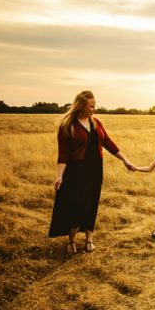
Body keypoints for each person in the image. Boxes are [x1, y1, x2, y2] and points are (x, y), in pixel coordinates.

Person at [48, 91, 135, 254]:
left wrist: (125, 160)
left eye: (94, 106)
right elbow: (63, 154)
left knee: (92, 202)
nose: (94, 109)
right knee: (76, 204)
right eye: (91, 106)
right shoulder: (67, 126)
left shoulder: (96, 123)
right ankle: (71, 240)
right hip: (76, 170)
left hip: (95, 168)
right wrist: (59, 175)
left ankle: (89, 239)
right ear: (81, 106)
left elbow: (108, 143)